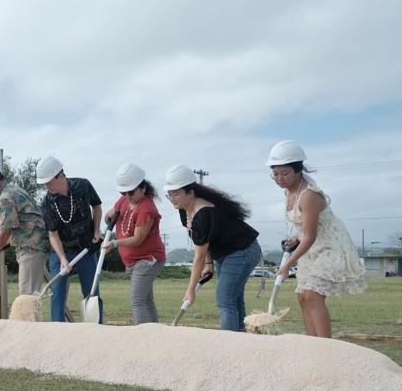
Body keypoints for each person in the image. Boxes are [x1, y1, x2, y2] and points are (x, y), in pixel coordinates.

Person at [266, 140, 365, 338]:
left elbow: (311, 236)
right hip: (309, 248)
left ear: (298, 171)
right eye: (275, 173)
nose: (279, 178)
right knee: (302, 297)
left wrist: (288, 265)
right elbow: (305, 228)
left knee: (312, 296)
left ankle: (326, 347)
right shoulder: (289, 191)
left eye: (285, 173)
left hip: (329, 247)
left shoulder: (309, 195)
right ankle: (313, 346)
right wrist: (296, 237)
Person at [164, 165, 262, 331]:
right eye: (169, 194)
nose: (172, 198)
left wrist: (190, 290)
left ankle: (229, 343)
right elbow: (204, 242)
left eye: (176, 193)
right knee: (234, 299)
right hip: (226, 253)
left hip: (242, 251)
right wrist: (209, 264)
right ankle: (241, 341)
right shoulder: (185, 208)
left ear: (190, 192)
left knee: (225, 299)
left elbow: (198, 258)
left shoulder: (203, 214)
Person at [36, 157, 105, 323]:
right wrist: (62, 258)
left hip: (86, 248)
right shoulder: (47, 203)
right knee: (57, 292)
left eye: (48, 182)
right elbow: (53, 235)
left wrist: (96, 229)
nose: (46, 186)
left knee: (92, 291)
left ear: (61, 176)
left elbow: (96, 206)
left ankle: (97, 328)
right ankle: (57, 328)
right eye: (43, 183)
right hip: (61, 250)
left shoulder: (83, 185)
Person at [103, 164, 167, 324]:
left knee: (137, 301)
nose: (127, 196)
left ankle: (141, 337)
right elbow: (110, 219)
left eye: (131, 192)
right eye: (123, 192)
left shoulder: (147, 209)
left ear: (143, 188)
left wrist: (115, 243)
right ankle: (154, 334)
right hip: (132, 261)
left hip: (148, 260)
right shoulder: (124, 200)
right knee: (146, 301)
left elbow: (138, 239)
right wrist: (108, 215)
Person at [0, 160, 50, 295]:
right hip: (32, 246)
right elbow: (14, 229)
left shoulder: (6, 197)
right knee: (30, 294)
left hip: (31, 248)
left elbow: (5, 232)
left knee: (27, 297)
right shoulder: (12, 189)